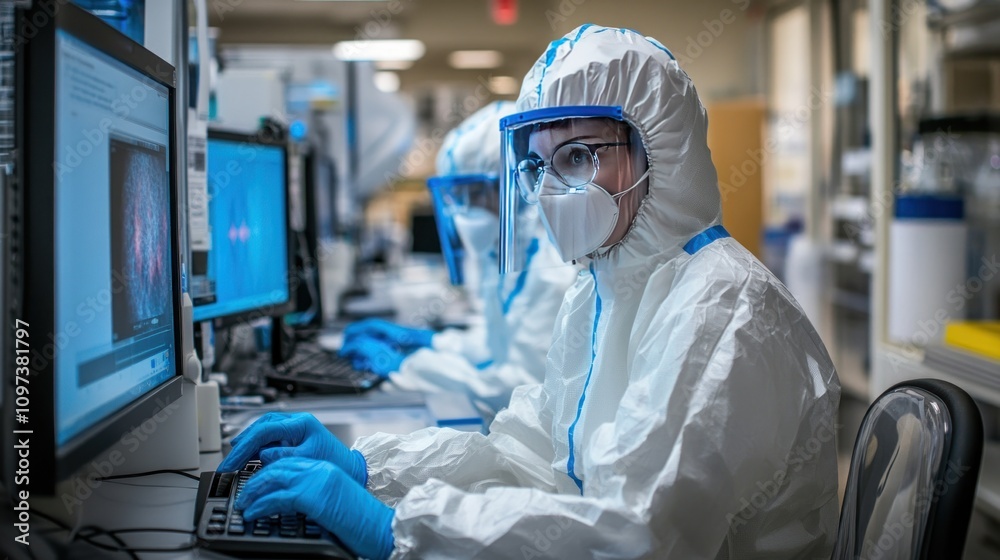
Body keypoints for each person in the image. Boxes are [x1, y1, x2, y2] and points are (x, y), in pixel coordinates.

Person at [220, 25, 841, 559]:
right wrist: (370, 468)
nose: (547, 190)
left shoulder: (724, 310)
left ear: (658, 148)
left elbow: (639, 536)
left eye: (576, 157)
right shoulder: (603, 289)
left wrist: (398, 531)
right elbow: (531, 453)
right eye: (538, 166)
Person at [339, 101, 577, 417]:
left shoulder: (553, 270)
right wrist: (428, 343)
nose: (463, 211)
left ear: (516, 186)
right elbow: (494, 349)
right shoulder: (506, 257)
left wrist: (407, 366)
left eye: (475, 194)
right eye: (456, 198)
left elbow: (519, 388)